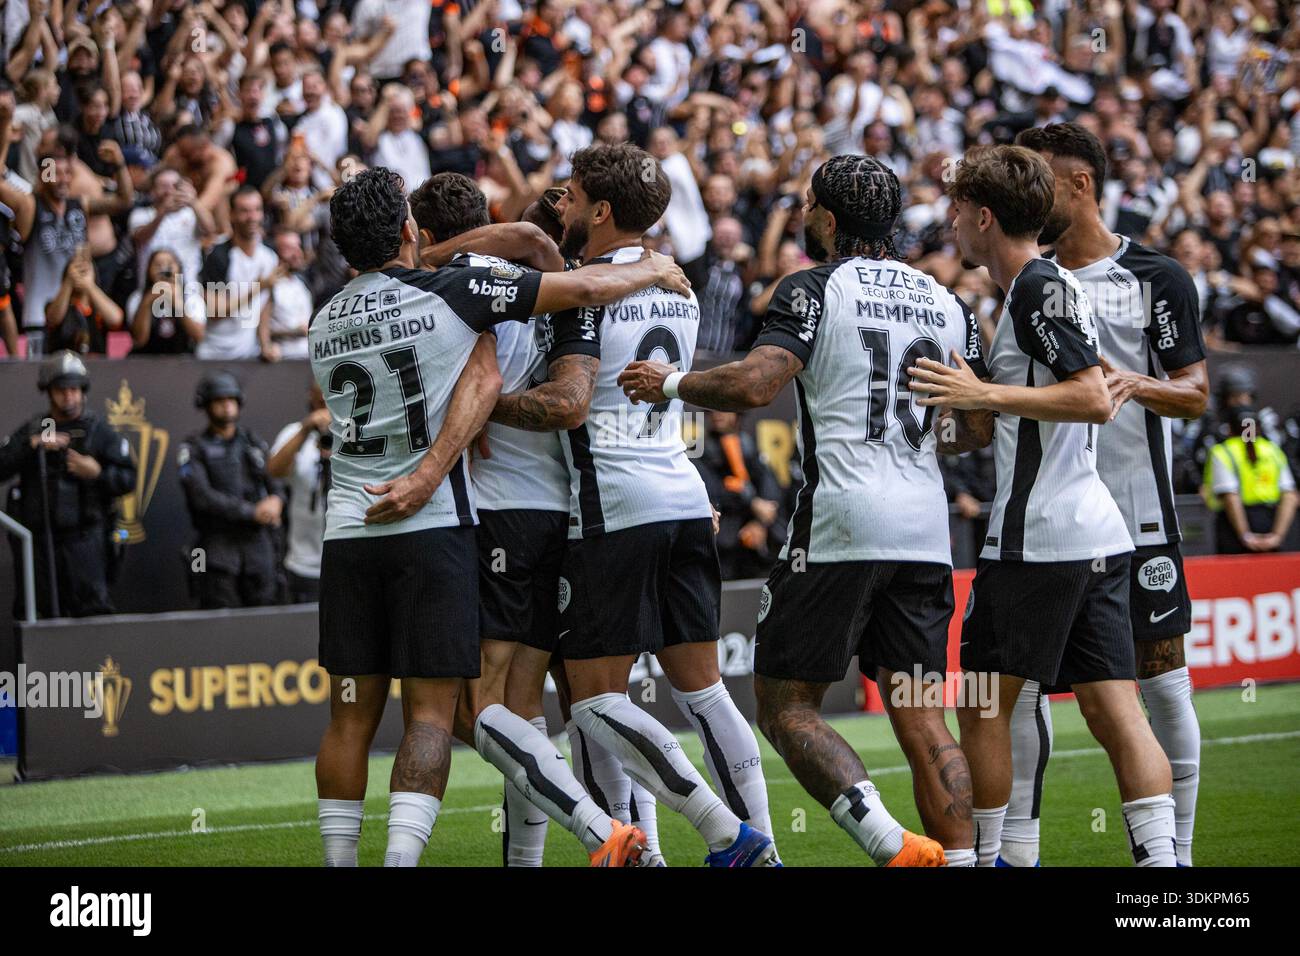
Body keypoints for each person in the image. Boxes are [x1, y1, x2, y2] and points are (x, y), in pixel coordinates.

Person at [310, 165, 694, 869]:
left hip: (355, 525)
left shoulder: (323, 318)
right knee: (455, 713)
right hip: (456, 521)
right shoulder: (452, 292)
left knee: (359, 717)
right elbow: (562, 284)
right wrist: (652, 268)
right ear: (406, 233)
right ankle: (634, 834)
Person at [620, 153, 981, 867]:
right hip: (926, 535)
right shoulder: (948, 303)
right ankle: (963, 863)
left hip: (844, 526)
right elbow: (972, 432)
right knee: (923, 717)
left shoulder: (815, 288)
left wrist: (670, 383)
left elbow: (757, 385)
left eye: (811, 204)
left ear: (828, 217)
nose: (807, 213)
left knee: (787, 706)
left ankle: (886, 843)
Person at [907, 144, 1178, 867]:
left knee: (986, 705)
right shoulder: (1038, 287)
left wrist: (982, 394)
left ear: (985, 215)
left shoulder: (1034, 287)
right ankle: (1164, 865)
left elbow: (1091, 397)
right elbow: (1034, 409)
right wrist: (973, 407)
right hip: (1093, 533)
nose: (953, 222)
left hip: (1041, 536)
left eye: (959, 210)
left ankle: (994, 856)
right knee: (1114, 708)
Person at [513, 142, 780, 867]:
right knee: (706, 693)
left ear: (601, 210)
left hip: (613, 506)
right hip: (682, 494)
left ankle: (702, 840)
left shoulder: (580, 288)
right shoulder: (680, 286)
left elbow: (567, 396)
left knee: (595, 704)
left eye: (569, 195)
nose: (560, 205)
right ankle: (764, 849)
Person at [1010, 122, 1210, 868]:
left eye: (1042, 179)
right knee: (1022, 687)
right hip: (1056, 519)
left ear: (1080, 184)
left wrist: (1138, 383)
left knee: (1160, 682)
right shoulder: (1029, 281)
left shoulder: (1156, 278)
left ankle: (1174, 861)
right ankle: (1017, 852)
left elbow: (1195, 395)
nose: (1030, 195)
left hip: (1140, 511)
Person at [0, 351, 136, 618]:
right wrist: (33, 445)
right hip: (39, 545)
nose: (69, 397)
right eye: (62, 390)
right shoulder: (34, 429)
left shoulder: (98, 431)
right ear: (49, 391)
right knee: (38, 614)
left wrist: (96, 472)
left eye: (74, 389)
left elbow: (127, 479)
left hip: (85, 542)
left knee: (92, 615)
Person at [178, 371, 285, 609]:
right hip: (217, 547)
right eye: (219, 400)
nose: (227, 406)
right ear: (206, 404)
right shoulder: (193, 447)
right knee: (219, 619)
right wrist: (250, 512)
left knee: (265, 616)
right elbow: (201, 497)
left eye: (231, 400)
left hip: (259, 548)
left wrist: (276, 500)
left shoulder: (252, 442)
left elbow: (274, 479)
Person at [195, 187, 279, 360]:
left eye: (257, 210)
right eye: (245, 211)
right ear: (232, 214)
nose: (252, 217)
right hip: (214, 353)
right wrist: (257, 288)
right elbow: (215, 311)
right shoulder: (218, 255)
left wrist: (265, 345)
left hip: (249, 354)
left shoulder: (269, 256)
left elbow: (264, 306)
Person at [267, 382, 332, 604]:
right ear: (310, 395)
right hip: (304, 562)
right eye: (319, 390)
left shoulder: (356, 432)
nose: (325, 397)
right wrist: (306, 430)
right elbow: (274, 470)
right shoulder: (294, 431)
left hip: (349, 560)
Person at [1203, 406, 1298, 555]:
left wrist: (1245, 536)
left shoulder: (1222, 451)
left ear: (1229, 429)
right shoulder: (1273, 450)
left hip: (1233, 528)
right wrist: (1277, 536)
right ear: (1258, 428)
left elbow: (1230, 498)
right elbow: (1290, 496)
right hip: (1270, 522)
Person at [126, 248, 206, 355]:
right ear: (149, 270)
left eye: (170, 265)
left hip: (183, 361)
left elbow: (199, 336)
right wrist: (147, 302)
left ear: (179, 268)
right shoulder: (138, 297)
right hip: (146, 360)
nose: (164, 270)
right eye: (158, 265)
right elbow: (139, 340)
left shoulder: (191, 297)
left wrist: (178, 305)